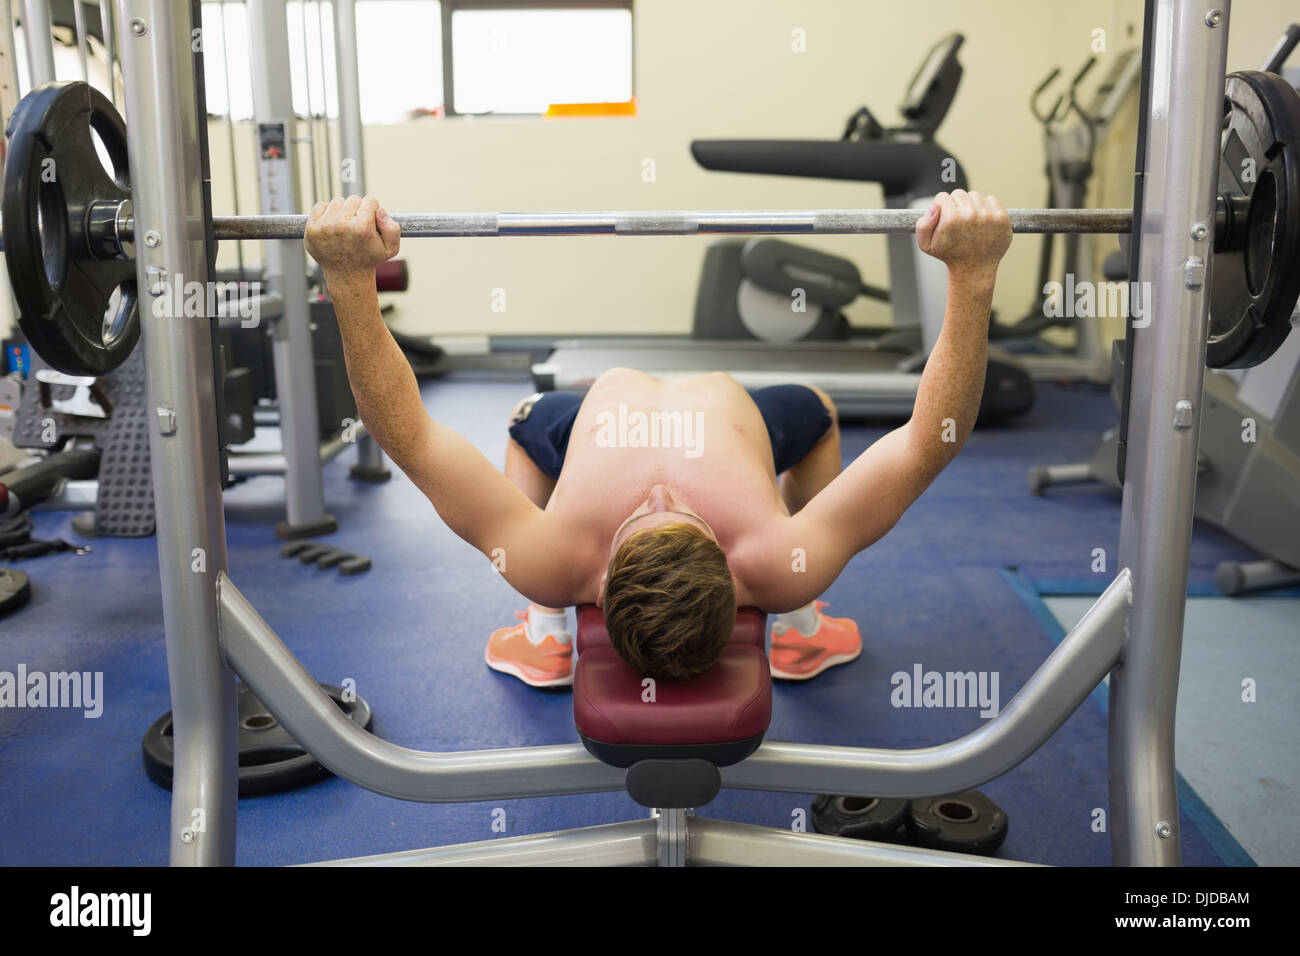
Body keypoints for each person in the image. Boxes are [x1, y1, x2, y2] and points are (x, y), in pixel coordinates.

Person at [304, 189, 1012, 687]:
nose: (661, 493)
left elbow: (414, 442)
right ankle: (799, 626)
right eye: (676, 516)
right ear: (737, 577)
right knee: (818, 412)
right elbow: (929, 441)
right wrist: (972, 276)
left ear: (599, 578)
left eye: (646, 518)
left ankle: (545, 633)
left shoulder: (552, 559)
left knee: (526, 422)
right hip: (744, 426)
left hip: (591, 422)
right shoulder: (778, 558)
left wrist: (348, 282)